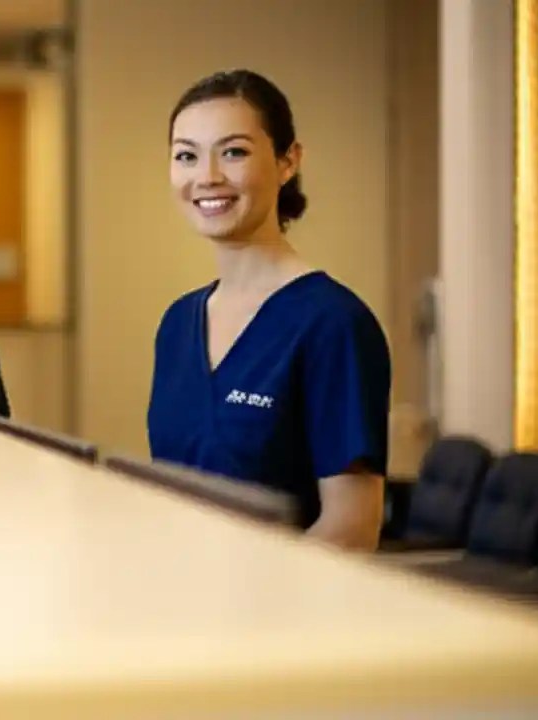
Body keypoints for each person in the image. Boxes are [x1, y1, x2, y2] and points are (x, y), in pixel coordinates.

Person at [147, 69, 390, 551]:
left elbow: (353, 528)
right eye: (186, 156)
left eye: (233, 152)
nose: (207, 176)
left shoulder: (332, 324)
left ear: (287, 161)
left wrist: (251, 603)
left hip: (277, 615)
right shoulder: (178, 324)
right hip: (180, 603)